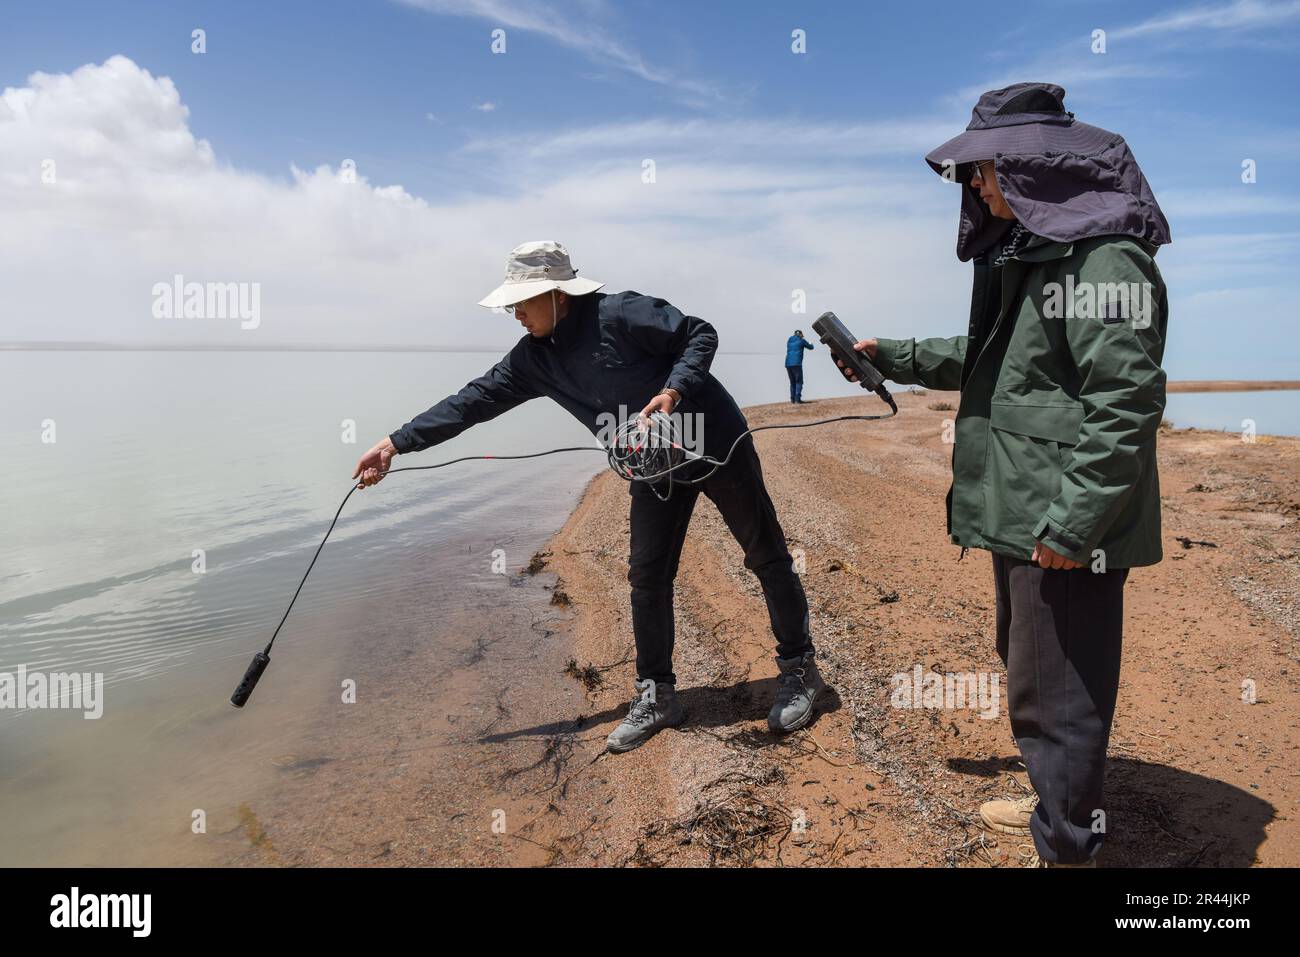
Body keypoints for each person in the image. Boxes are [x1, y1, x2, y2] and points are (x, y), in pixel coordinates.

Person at [833, 83, 1171, 867]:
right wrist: (899, 356)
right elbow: (996, 359)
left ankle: (1067, 846)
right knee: (1032, 668)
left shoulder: (1105, 259)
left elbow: (1125, 402)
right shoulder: (1037, 255)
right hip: (1024, 505)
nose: (976, 188)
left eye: (984, 172)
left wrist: (1074, 526)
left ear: (1029, 172)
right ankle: (1057, 801)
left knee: (1061, 691)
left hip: (1060, 518)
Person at [353, 241, 823, 753]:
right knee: (647, 574)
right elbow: (473, 401)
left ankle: (799, 670)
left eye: (523, 302)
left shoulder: (620, 313)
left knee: (765, 555)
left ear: (557, 294)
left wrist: (673, 391)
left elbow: (698, 333)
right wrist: (395, 443)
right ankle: (657, 694)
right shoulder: (532, 359)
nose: (515, 314)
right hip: (651, 462)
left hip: (715, 444)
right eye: (511, 304)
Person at [784, 329, 814, 403]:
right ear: (800, 334)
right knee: (799, 381)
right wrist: (811, 343)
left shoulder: (789, 340)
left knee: (792, 382)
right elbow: (811, 347)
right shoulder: (802, 340)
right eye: (802, 335)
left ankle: (792, 399)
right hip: (797, 364)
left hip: (788, 364)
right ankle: (798, 399)